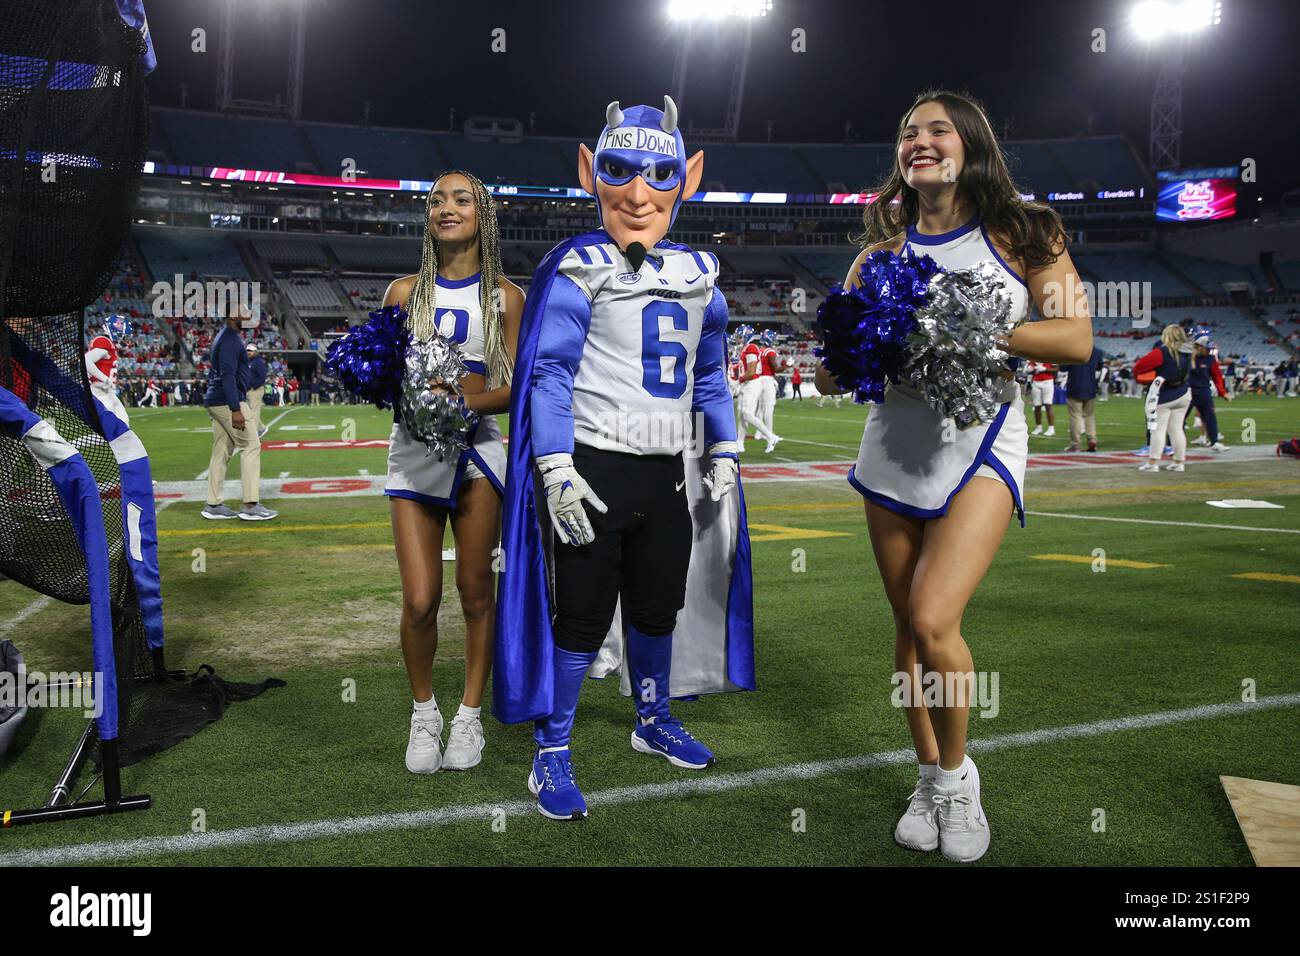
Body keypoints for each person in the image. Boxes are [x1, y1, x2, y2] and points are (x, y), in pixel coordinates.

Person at [815, 90, 1092, 862]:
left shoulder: (1025, 231)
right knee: (907, 630)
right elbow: (837, 378)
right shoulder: (877, 256)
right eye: (908, 132)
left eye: (937, 129)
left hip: (982, 444)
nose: (920, 141)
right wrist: (854, 342)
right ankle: (929, 777)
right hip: (892, 450)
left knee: (936, 618)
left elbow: (1075, 337)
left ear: (970, 143)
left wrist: (974, 326)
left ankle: (960, 775)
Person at [494, 97, 754, 822]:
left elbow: (709, 376)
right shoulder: (579, 266)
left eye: (659, 174)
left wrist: (726, 447)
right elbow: (546, 376)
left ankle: (651, 717)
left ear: (688, 179)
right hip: (593, 470)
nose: (638, 195)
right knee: (577, 621)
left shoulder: (701, 272)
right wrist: (554, 467)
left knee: (656, 611)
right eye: (618, 170)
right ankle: (552, 749)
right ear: (589, 172)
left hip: (666, 472)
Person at [383, 170, 523, 774]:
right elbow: (383, 376)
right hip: (414, 451)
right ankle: (424, 714)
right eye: (437, 200)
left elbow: (517, 387)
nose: (446, 208)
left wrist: (461, 401)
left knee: (473, 591)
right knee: (419, 598)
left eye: (460, 200)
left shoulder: (508, 297)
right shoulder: (401, 293)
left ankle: (468, 717)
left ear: (481, 215)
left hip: (479, 452)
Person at [201, 308, 277, 520]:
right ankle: (251, 505)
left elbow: (216, 373)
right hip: (228, 400)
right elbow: (226, 375)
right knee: (251, 445)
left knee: (221, 450)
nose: (248, 315)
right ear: (232, 316)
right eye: (243, 312)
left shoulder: (225, 337)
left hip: (218, 399)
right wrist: (235, 408)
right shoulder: (229, 340)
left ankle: (213, 504)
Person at [1133, 324, 1192, 472]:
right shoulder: (1188, 352)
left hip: (1165, 395)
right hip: (1184, 393)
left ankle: (1153, 463)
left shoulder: (1162, 352)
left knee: (1157, 430)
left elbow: (1139, 366)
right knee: (1177, 430)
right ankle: (1179, 462)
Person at [738, 327, 781, 453]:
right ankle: (740, 443)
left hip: (752, 383)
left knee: (747, 414)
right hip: (748, 383)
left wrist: (738, 380)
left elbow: (751, 372)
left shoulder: (751, 348)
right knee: (742, 415)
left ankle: (770, 436)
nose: (738, 339)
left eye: (740, 336)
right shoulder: (746, 348)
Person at [1187, 332, 1230, 451]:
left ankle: (1214, 442)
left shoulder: (1210, 359)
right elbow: (1189, 371)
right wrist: (1192, 357)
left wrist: (1223, 392)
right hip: (1187, 391)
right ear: (1199, 347)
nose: (1208, 351)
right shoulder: (1186, 357)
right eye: (1206, 348)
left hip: (1204, 391)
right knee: (1179, 419)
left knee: (1210, 417)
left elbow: (1217, 377)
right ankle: (1170, 445)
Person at [1062, 344, 1103, 452]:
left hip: (1074, 386)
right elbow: (1099, 367)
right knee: (1089, 415)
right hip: (1090, 386)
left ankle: (1075, 444)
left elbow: (1063, 368)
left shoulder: (1071, 349)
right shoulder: (1097, 350)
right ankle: (1092, 438)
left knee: (1075, 416)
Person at [1027, 360, 1057, 436]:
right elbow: (1030, 368)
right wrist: (1030, 369)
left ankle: (1051, 428)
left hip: (1047, 381)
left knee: (1048, 405)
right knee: (1036, 406)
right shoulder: (1033, 356)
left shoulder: (1050, 355)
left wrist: (1045, 369)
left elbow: (1056, 369)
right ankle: (1038, 427)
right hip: (1036, 382)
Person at [245, 343, 267, 435]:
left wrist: (254, 386)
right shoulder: (248, 362)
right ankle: (261, 428)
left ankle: (254, 433)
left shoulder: (259, 362)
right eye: (247, 350)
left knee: (254, 410)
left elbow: (262, 376)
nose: (248, 352)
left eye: (250, 351)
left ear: (255, 351)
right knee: (248, 411)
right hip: (248, 389)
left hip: (255, 390)